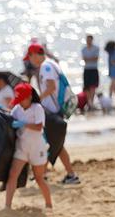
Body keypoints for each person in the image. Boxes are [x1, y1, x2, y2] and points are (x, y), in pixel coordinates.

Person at [27, 43, 80, 184]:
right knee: (55, 143)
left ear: (35, 54)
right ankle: (67, 174)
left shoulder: (46, 66)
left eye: (30, 57)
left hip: (52, 112)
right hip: (55, 111)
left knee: (49, 143)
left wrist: (38, 99)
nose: (30, 61)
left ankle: (43, 174)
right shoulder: (51, 64)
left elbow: (51, 87)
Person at [5, 84, 52, 209]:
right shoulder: (16, 109)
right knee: (13, 174)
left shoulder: (37, 108)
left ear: (30, 97)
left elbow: (39, 127)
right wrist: (1, 113)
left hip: (37, 147)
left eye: (22, 100)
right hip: (22, 147)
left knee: (39, 178)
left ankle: (48, 204)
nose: (20, 103)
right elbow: (9, 120)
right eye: (18, 100)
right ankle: (7, 206)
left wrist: (24, 124)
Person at [82, 35, 100, 108]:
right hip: (87, 69)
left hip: (93, 69)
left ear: (92, 40)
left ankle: (91, 102)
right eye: (87, 40)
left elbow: (96, 58)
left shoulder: (96, 48)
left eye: (89, 40)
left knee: (93, 86)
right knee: (87, 87)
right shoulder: (84, 49)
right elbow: (84, 59)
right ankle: (89, 102)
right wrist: (90, 59)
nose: (88, 41)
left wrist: (88, 59)